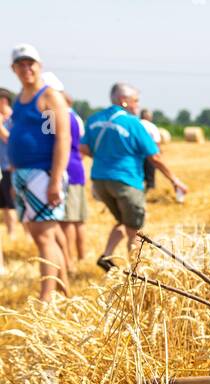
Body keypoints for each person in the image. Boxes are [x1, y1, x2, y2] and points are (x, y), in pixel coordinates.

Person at [83, 81, 187, 271]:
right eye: (135, 101)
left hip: (99, 180)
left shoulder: (93, 120)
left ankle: (106, 256)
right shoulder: (132, 123)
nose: (137, 106)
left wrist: (105, 159)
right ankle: (137, 273)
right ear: (123, 100)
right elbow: (154, 157)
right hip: (126, 180)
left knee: (123, 221)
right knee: (135, 230)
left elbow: (84, 148)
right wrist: (175, 180)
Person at [8, 44, 72, 302]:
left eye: (30, 64)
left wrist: (55, 179)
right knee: (42, 235)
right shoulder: (20, 98)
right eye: (21, 65)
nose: (26, 69)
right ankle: (64, 291)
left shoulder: (48, 97)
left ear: (39, 66)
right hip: (23, 174)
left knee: (44, 236)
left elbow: (60, 139)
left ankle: (46, 298)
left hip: (43, 174)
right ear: (14, 69)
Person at [42, 73, 88, 266]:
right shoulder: (75, 116)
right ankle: (81, 257)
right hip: (76, 168)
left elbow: (49, 144)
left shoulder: (51, 116)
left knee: (66, 221)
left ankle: (68, 262)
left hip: (63, 171)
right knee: (77, 220)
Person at [0, 87, 17, 243]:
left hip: (11, 167)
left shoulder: (14, 119)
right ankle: (10, 232)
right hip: (1, 167)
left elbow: (12, 140)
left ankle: (20, 234)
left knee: (12, 203)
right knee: (3, 204)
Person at [138, 109, 163, 191]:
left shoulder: (135, 124)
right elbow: (157, 142)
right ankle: (150, 192)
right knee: (150, 177)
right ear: (148, 116)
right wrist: (158, 154)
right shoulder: (152, 126)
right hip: (150, 155)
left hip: (136, 155)